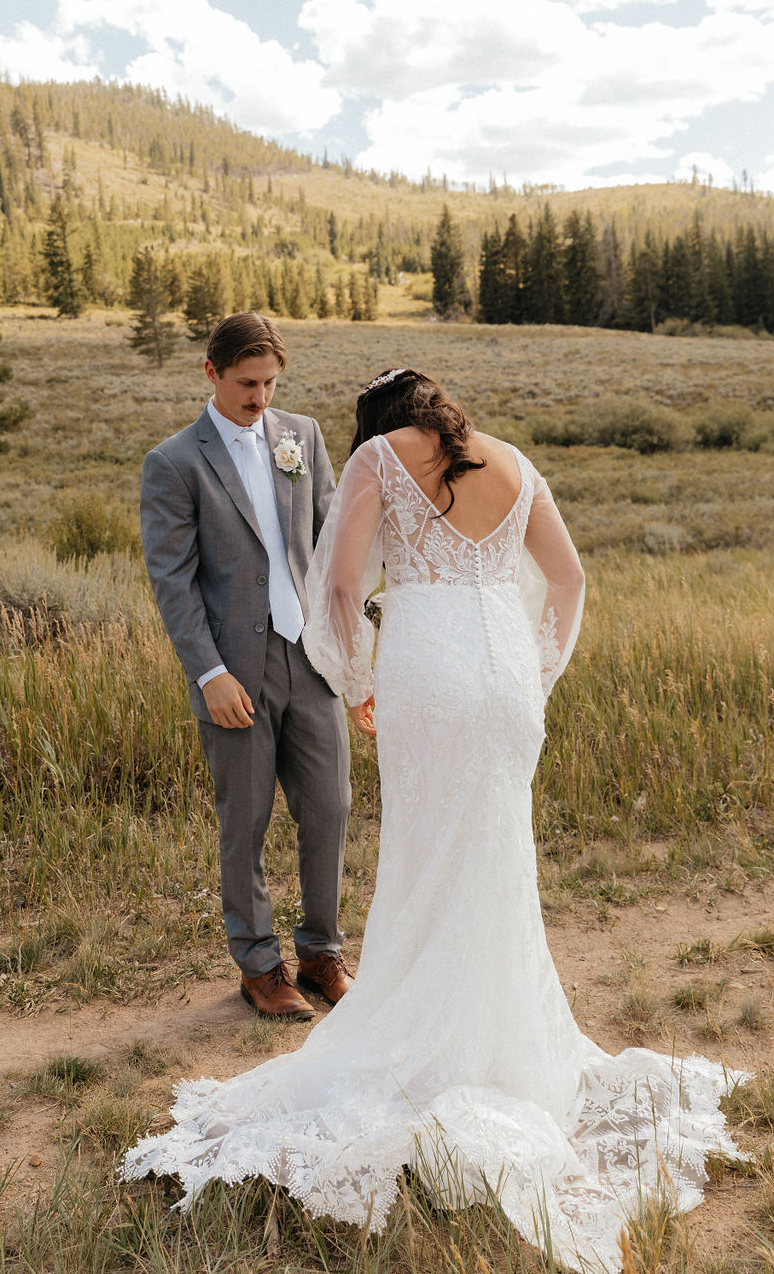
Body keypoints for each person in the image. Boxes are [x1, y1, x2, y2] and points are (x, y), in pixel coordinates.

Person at [124, 367, 745, 1273]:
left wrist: (356, 679)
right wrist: (534, 673)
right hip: (505, 683)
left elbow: (338, 587)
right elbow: (568, 582)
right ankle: (503, 1047)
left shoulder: (379, 457)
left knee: (426, 852)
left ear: (383, 424)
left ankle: (429, 1034)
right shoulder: (517, 462)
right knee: (497, 858)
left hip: (429, 675)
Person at [139, 311, 352, 1020]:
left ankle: (321, 952)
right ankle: (260, 965)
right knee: (248, 821)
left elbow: (326, 539)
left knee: (330, 808)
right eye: (245, 384)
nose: (260, 398)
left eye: (268, 384)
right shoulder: (174, 462)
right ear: (211, 374)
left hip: (311, 656)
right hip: (235, 668)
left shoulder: (303, 435)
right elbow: (173, 581)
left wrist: (353, 633)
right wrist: (209, 673)